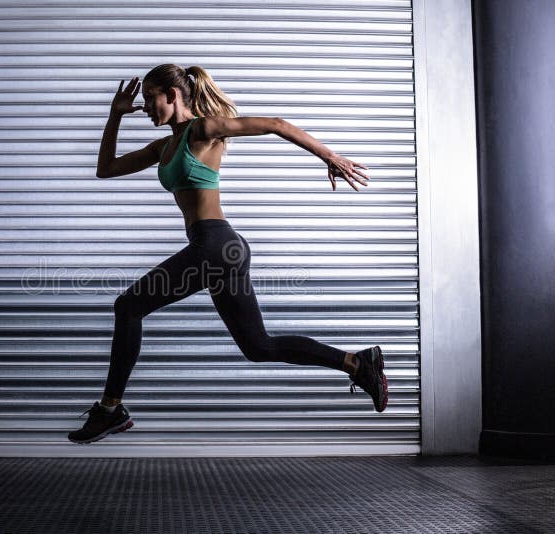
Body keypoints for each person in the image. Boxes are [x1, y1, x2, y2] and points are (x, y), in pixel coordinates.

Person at [68, 64, 386, 444]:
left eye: (150, 98)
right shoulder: (163, 146)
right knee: (258, 346)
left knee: (128, 306)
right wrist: (114, 116)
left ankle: (109, 409)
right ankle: (357, 362)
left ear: (172, 94)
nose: (146, 107)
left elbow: (276, 123)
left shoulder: (203, 129)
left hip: (215, 245)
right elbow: (106, 169)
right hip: (222, 249)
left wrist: (329, 156)